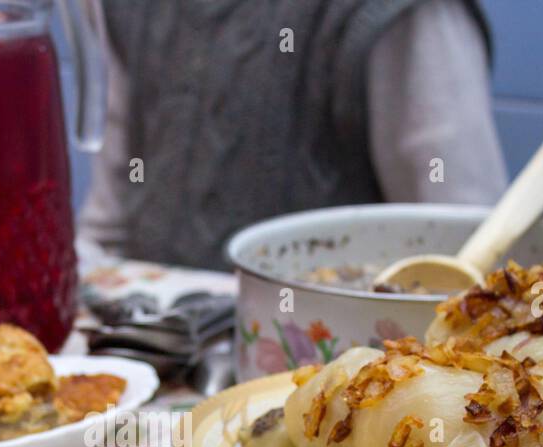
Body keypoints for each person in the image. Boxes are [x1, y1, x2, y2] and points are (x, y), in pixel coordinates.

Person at [79, 0, 508, 270]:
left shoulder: (411, 16)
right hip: (150, 349)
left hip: (347, 371)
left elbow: (472, 252)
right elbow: (111, 221)